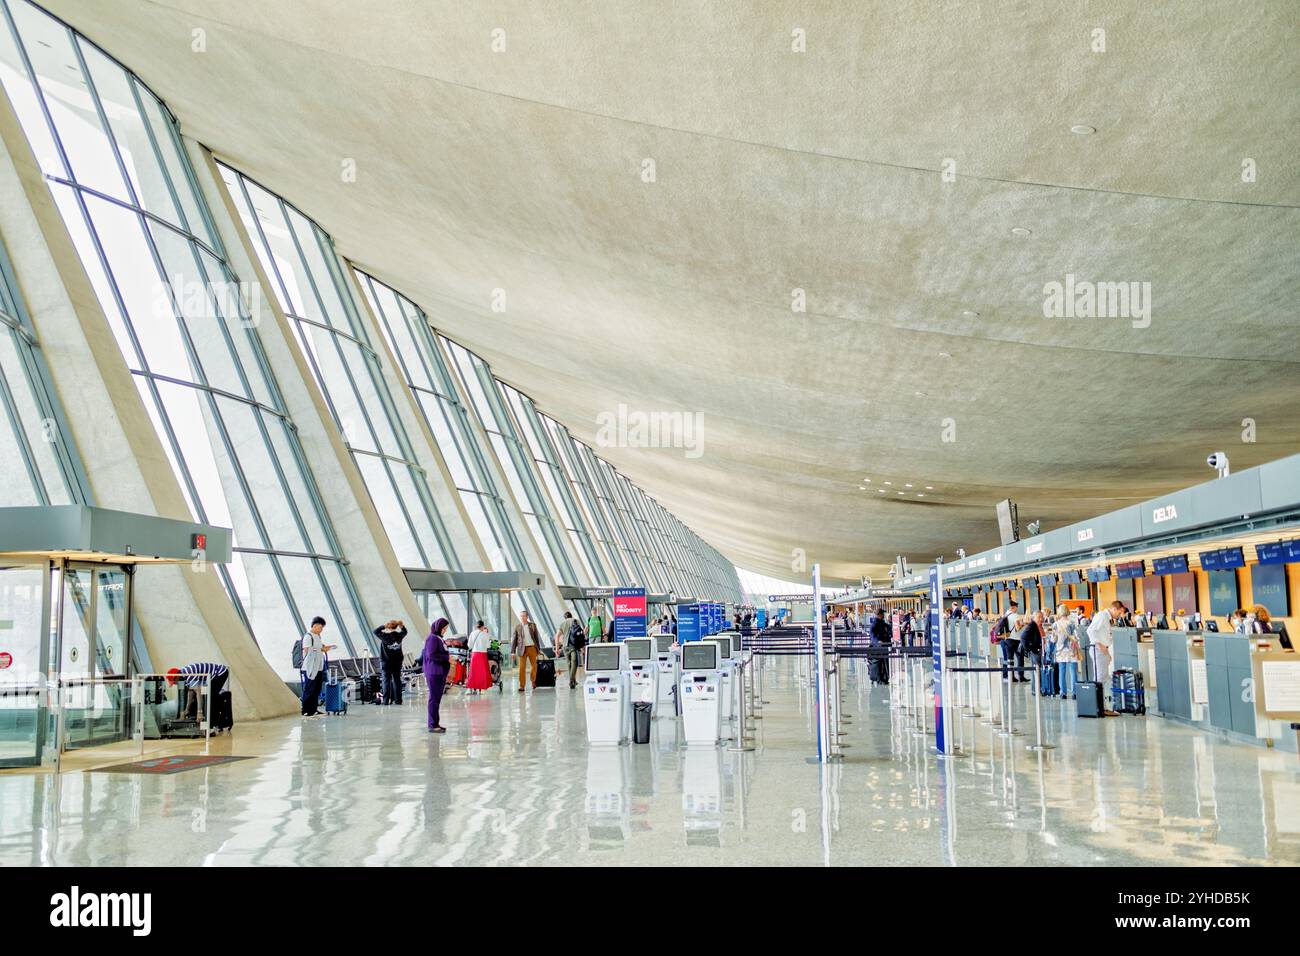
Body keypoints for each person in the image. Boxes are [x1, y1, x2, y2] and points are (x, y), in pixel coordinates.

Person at [167, 661, 232, 733]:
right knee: (210, 697)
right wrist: (187, 709)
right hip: (213, 675)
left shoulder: (189, 674)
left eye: (174, 682)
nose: (175, 684)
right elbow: (191, 692)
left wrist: (199, 712)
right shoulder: (184, 675)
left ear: (177, 677)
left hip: (221, 673)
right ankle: (217, 724)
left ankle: (212, 726)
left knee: (210, 698)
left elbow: (198, 692)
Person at [1086, 600, 1123, 714]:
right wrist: (1100, 645)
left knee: (1105, 678)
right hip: (1098, 649)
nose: (1120, 615)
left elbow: (1104, 635)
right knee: (1100, 678)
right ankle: (1098, 707)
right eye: (1119, 612)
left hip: (1103, 650)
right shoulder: (1102, 616)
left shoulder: (1107, 618)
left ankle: (1104, 706)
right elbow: (1090, 630)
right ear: (1114, 609)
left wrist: (1107, 653)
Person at [300, 616, 335, 718]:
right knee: (309, 689)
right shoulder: (308, 637)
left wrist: (325, 649)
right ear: (315, 626)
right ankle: (306, 710)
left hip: (319, 667)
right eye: (320, 627)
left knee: (316, 689)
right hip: (310, 667)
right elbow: (307, 650)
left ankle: (313, 709)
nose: (321, 630)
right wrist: (320, 650)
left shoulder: (318, 636)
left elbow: (318, 649)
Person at [422, 618, 451, 732]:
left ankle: (435, 723)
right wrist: (447, 658)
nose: (444, 631)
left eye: (446, 629)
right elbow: (431, 654)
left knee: (436, 699)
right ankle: (433, 725)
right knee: (434, 699)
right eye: (443, 629)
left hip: (439, 672)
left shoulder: (438, 638)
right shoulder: (432, 638)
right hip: (434, 672)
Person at [374, 619, 407, 705]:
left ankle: (386, 701)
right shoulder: (399, 636)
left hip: (386, 662)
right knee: (397, 680)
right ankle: (398, 700)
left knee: (386, 681)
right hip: (397, 662)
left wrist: (384, 626)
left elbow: (375, 631)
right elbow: (405, 631)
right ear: (396, 626)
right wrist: (401, 626)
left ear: (389, 626)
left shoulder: (384, 636)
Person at [512, 609, 542, 692]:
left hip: (532, 648)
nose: (522, 617)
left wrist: (538, 649)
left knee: (534, 666)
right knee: (522, 668)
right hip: (522, 649)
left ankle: (533, 680)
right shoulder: (517, 627)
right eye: (521, 616)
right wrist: (512, 652)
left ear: (527, 617)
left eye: (524, 616)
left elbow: (536, 638)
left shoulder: (532, 625)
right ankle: (522, 686)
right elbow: (514, 640)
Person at [1053, 606, 1079, 700]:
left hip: (1060, 651)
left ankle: (1063, 693)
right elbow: (1076, 637)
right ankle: (1075, 693)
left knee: (1062, 672)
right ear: (1068, 612)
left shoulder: (1055, 624)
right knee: (1073, 672)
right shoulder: (1072, 623)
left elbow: (1053, 639)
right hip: (1071, 650)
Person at [556, 610, 585, 689]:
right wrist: (582, 647)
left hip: (565, 646)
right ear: (571, 616)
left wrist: (557, 649)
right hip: (574, 646)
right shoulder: (576, 621)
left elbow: (557, 636)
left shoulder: (562, 624)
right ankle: (571, 681)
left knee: (569, 664)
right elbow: (580, 634)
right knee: (574, 664)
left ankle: (573, 681)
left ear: (565, 617)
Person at [1000, 601, 1027, 682]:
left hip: (1006, 639)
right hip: (1015, 640)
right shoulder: (1015, 616)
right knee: (1020, 658)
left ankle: (1011, 676)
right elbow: (1017, 628)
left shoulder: (1005, 614)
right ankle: (1021, 676)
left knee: (1009, 659)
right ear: (1014, 607)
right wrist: (1023, 624)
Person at [466, 620, 494, 694]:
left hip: (475, 654)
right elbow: (488, 646)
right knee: (482, 672)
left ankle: (473, 687)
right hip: (483, 654)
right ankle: (481, 688)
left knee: (474, 672)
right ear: (483, 626)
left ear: (476, 626)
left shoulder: (472, 633)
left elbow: (469, 645)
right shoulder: (486, 634)